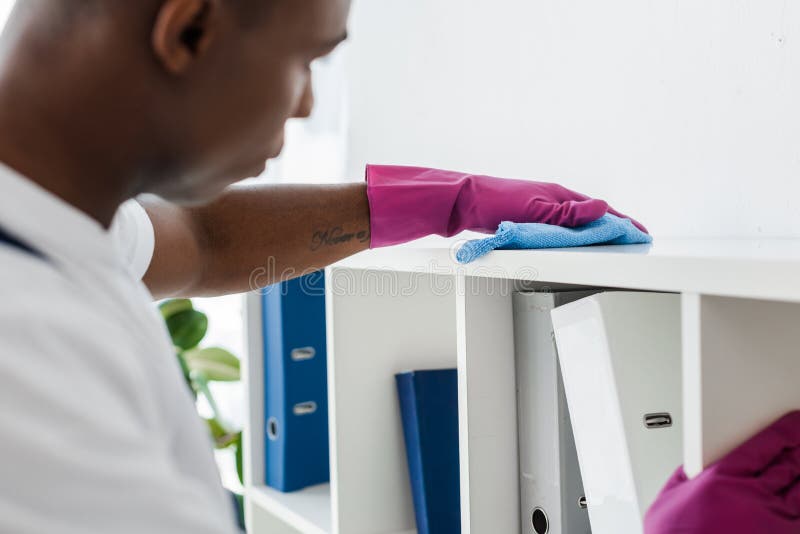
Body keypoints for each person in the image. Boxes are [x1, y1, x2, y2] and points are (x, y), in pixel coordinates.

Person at [0, 0, 654, 532]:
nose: (308, 103)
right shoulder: (25, 351)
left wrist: (449, 200)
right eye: (306, 58)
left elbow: (205, 241)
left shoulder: (59, 213)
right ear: (190, 29)